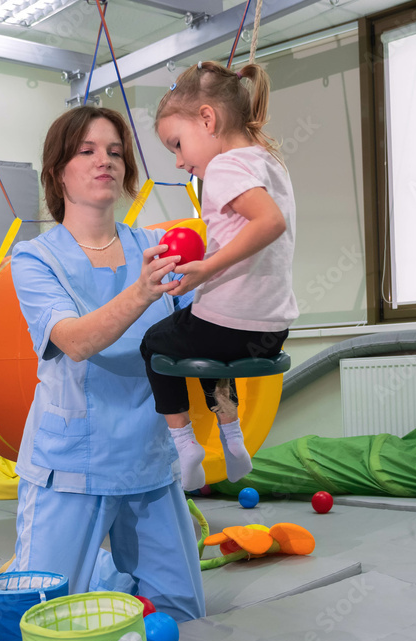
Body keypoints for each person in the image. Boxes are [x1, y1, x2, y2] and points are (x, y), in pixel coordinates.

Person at [8, 105, 205, 623]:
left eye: (115, 152)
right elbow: (73, 341)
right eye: (87, 151)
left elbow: (197, 334)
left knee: (182, 612)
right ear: (57, 171)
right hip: (70, 464)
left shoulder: (157, 248)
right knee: (42, 618)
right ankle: (91, 575)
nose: (105, 162)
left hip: (145, 457)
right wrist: (141, 293)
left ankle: (110, 581)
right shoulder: (34, 259)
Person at [141, 60, 298, 492]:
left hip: (226, 323)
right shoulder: (270, 163)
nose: (178, 161)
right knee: (213, 355)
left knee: (154, 342)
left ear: (207, 119)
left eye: (177, 144)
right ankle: (232, 437)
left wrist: (205, 269)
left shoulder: (226, 168)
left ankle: (184, 442)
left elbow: (270, 223)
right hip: (272, 330)